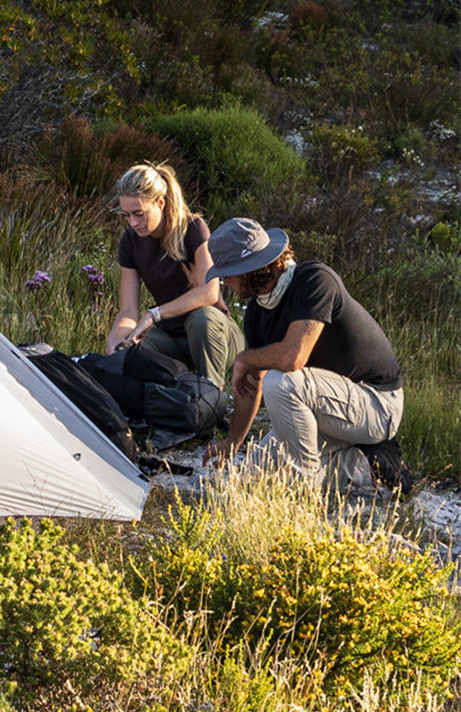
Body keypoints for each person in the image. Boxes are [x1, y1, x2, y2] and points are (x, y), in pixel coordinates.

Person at [202, 217, 408, 492]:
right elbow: (252, 384)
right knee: (251, 477)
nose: (224, 282)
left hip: (377, 404)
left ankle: (305, 489)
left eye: (227, 272)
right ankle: (372, 466)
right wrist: (233, 442)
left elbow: (292, 357)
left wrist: (245, 358)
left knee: (280, 382)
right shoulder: (255, 314)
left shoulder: (314, 280)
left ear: (250, 269)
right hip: (326, 405)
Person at [106, 162, 243, 387]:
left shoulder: (193, 229)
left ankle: (211, 399)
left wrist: (154, 314)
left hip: (215, 335)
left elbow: (209, 292)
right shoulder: (130, 241)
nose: (133, 223)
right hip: (171, 339)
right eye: (127, 215)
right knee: (133, 350)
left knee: (201, 318)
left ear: (160, 203)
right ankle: (159, 408)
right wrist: (118, 337)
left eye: (139, 214)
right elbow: (128, 310)